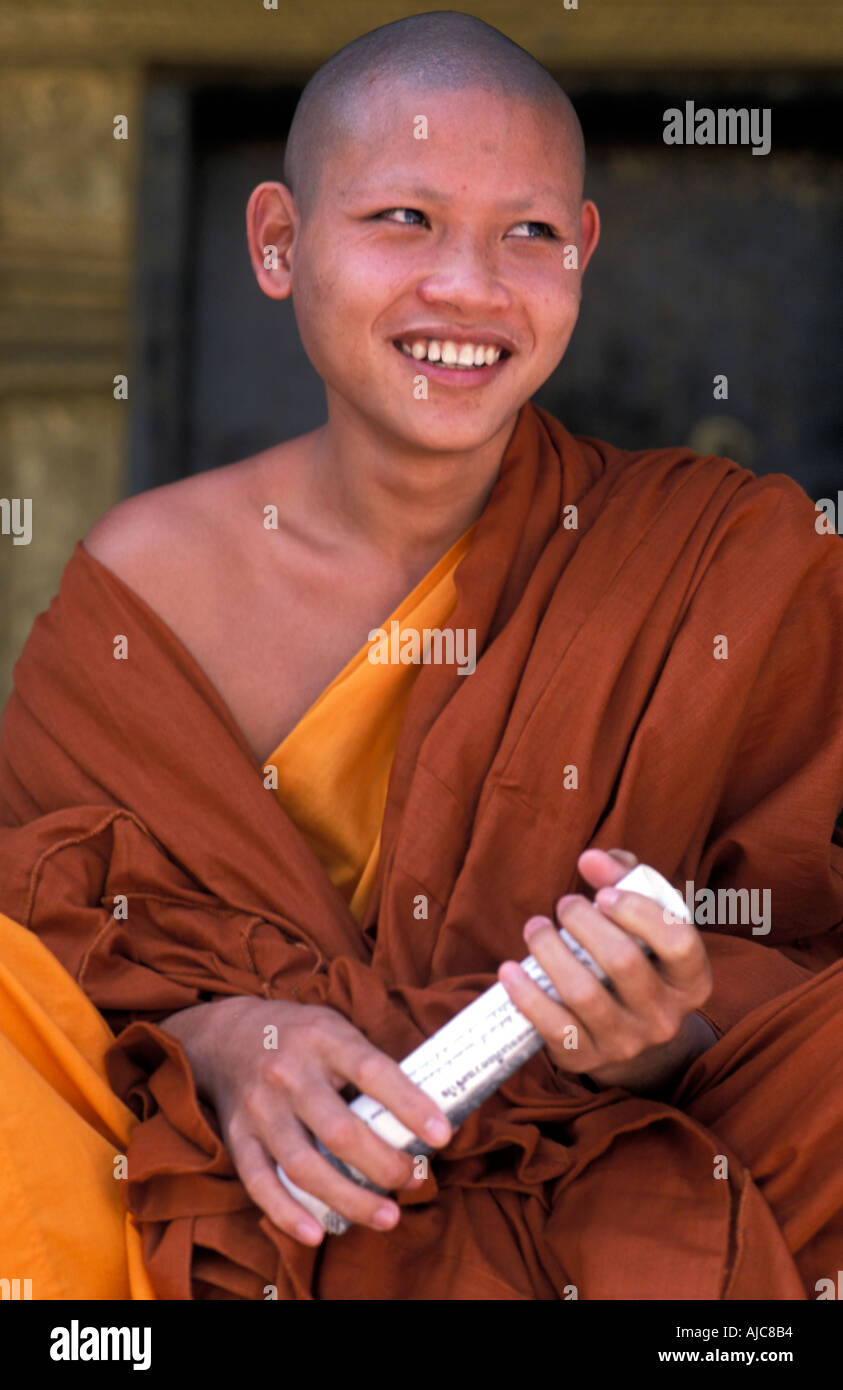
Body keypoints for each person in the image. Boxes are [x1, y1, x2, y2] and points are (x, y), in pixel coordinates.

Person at [1, 12, 841, 1301]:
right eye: (403, 219)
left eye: (530, 233)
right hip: (239, 1165)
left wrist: (660, 1033)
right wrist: (231, 1039)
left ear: (584, 253)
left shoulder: (715, 555)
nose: (472, 287)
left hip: (624, 1154)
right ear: (278, 243)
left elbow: (799, 947)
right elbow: (60, 933)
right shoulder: (146, 586)